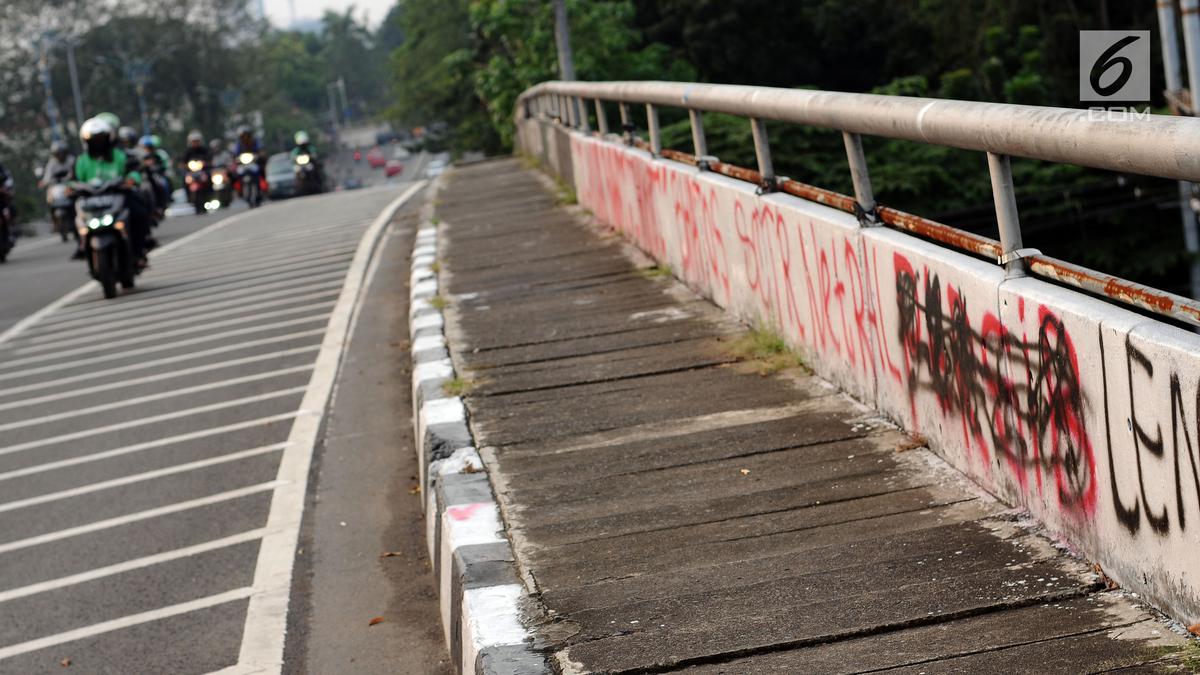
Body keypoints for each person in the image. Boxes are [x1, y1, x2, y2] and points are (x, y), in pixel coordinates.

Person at [75, 116, 151, 267]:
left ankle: (139, 250)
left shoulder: (120, 155)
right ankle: (82, 246)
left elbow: (134, 169)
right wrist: (70, 187)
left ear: (109, 138)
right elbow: (73, 179)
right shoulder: (82, 161)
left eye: (100, 139)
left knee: (139, 212)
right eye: (94, 140)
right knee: (75, 214)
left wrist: (131, 179)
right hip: (91, 200)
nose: (98, 143)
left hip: (118, 195)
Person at [39, 141, 79, 257]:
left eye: (62, 153)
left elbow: (75, 174)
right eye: (58, 153)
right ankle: (54, 221)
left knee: (76, 201)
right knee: (50, 197)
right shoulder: (52, 163)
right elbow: (47, 176)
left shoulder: (72, 160)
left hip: (68, 187)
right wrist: (45, 182)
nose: (60, 156)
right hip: (56, 188)